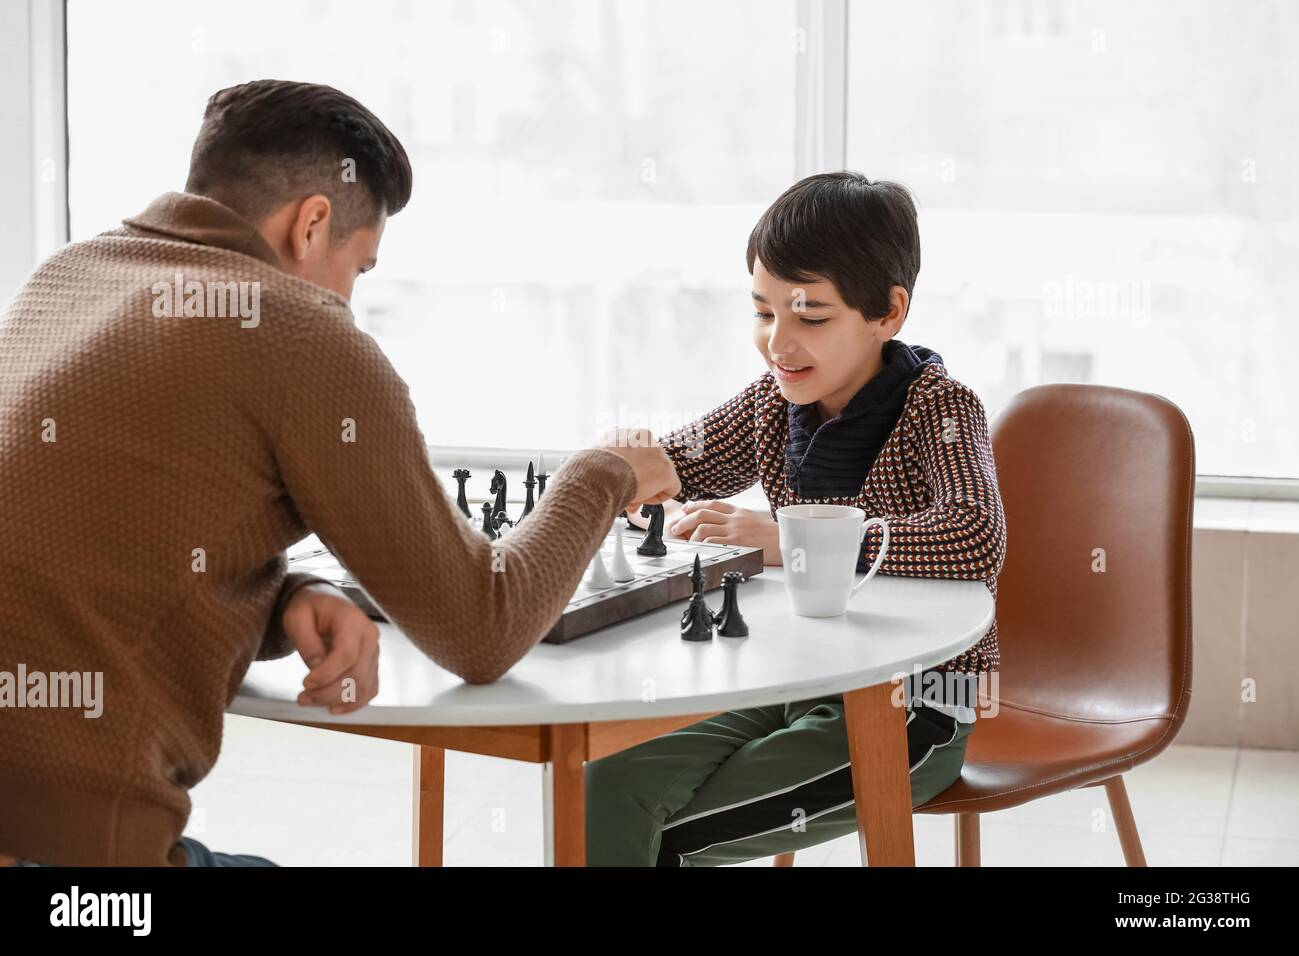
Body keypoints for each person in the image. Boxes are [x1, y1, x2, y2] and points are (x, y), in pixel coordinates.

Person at [0, 79, 678, 867]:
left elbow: (98, 538)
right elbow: (482, 629)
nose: (350, 303)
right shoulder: (298, 334)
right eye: (359, 269)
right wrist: (606, 476)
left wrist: (288, 594)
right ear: (312, 222)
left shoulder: (62, 278)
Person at [585, 171, 1007, 866]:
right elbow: (680, 461)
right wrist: (621, 465)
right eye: (762, 312)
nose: (778, 342)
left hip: (918, 705)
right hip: (796, 681)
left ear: (888, 313)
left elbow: (975, 538)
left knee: (663, 842)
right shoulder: (773, 402)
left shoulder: (943, 408)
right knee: (607, 782)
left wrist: (793, 544)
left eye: (810, 317)